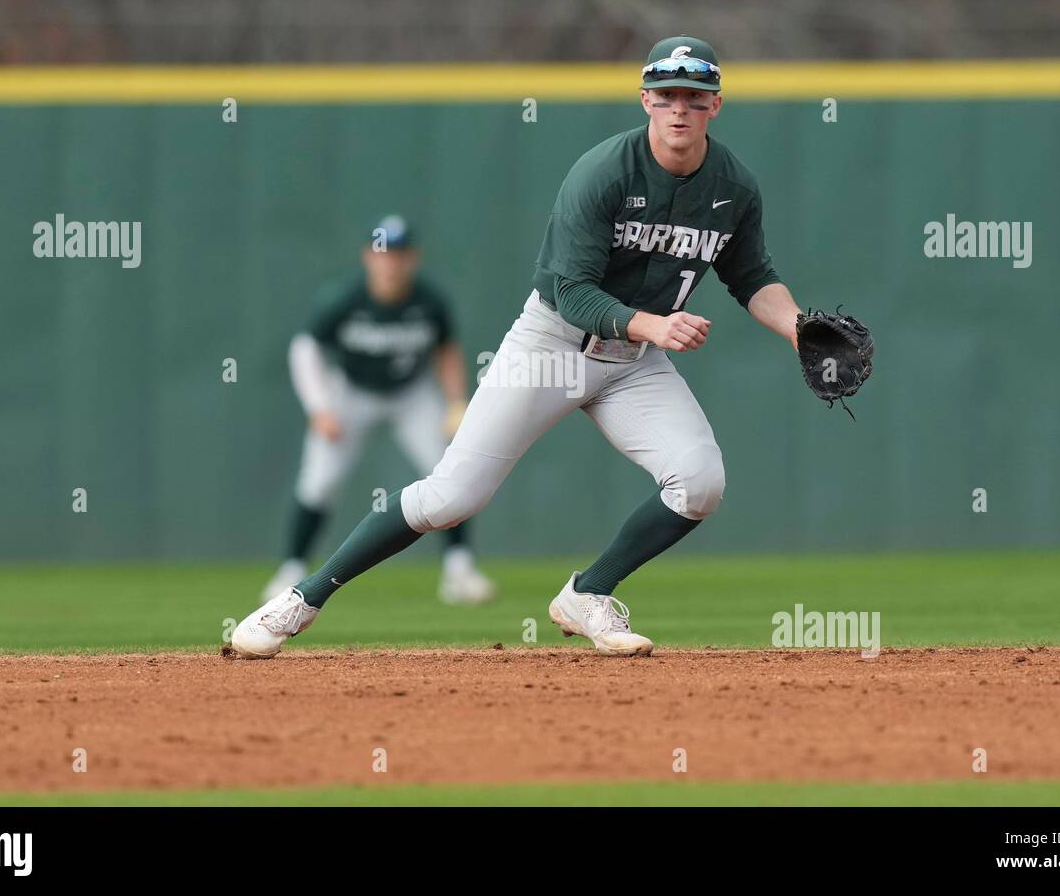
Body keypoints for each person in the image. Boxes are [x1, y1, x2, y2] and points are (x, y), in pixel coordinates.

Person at [230, 36, 803, 658]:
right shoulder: (604, 172)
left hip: (634, 362)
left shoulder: (734, 186)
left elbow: (751, 277)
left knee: (699, 484)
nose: (679, 108)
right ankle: (301, 600)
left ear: (715, 105)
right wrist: (653, 325)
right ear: (645, 100)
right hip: (552, 345)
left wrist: (800, 328)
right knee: (452, 497)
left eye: (695, 96)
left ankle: (588, 593)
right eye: (666, 95)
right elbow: (567, 289)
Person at [261, 215, 494, 605]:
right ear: (369, 256)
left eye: (400, 253)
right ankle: (291, 569)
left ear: (413, 258)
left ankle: (460, 570)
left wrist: (455, 401)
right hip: (351, 393)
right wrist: (319, 407)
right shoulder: (345, 298)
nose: (391, 262)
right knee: (319, 481)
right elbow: (305, 349)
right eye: (384, 252)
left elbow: (446, 350)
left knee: (451, 473)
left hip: (412, 394)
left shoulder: (429, 299)